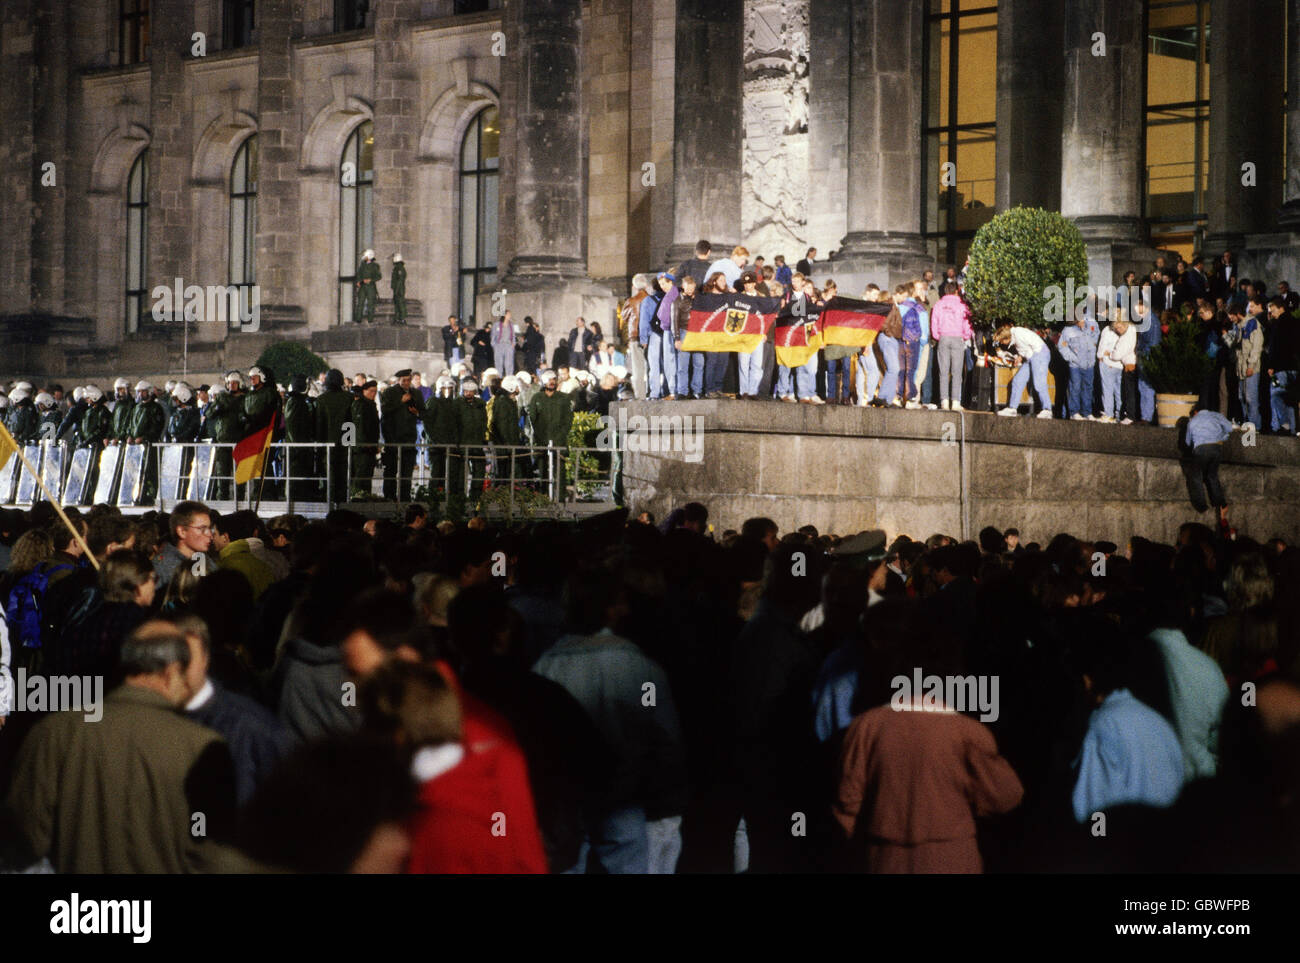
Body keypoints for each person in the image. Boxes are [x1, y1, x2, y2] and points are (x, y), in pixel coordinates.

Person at [3, 620, 237, 872]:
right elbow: (206, 844)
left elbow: (26, 835)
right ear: (171, 672)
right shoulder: (201, 748)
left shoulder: (56, 732)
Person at [1181, 405, 1234, 526]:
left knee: (1196, 476)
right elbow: (1230, 428)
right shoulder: (1216, 415)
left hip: (1201, 448)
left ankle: (1201, 506)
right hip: (1217, 447)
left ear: (1194, 412)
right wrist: (1223, 436)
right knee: (1212, 475)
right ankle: (1220, 502)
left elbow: (1187, 441)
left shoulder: (1193, 420)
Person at [380, 369, 425, 503]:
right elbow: (385, 410)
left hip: (409, 438)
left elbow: (423, 412)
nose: (406, 383)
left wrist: (417, 412)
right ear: (398, 380)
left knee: (407, 472)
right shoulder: (390, 392)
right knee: (391, 470)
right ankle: (389, 497)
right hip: (393, 437)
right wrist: (400, 402)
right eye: (403, 380)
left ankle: (405, 497)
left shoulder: (416, 393)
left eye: (408, 380)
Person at [527, 370, 573, 497]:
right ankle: (544, 499)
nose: (552, 382)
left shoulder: (564, 398)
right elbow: (532, 420)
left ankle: (560, 500)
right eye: (549, 379)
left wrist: (560, 435)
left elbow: (568, 420)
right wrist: (540, 438)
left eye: (553, 379)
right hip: (541, 443)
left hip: (559, 442)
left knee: (560, 473)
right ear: (543, 381)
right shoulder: (537, 398)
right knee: (543, 473)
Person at [929, 281, 973, 411]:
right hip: (957, 338)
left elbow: (934, 322)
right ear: (956, 291)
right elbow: (967, 322)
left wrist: (937, 336)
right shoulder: (962, 305)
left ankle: (944, 401)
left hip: (943, 338)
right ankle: (955, 402)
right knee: (957, 372)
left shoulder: (938, 305)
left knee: (943, 371)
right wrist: (966, 335)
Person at [994, 324, 1053, 419]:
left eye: (1001, 341)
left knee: (1039, 383)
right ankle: (1012, 408)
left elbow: (1034, 343)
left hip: (1039, 353)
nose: (1001, 343)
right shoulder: (1014, 337)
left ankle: (1047, 409)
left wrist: (1033, 359)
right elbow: (1026, 348)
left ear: (1006, 338)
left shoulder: (1019, 333)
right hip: (1032, 357)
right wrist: (1021, 357)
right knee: (1018, 380)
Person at [1222, 300, 1265, 428]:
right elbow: (1234, 345)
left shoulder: (1252, 324)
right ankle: (1247, 424)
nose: (1230, 318)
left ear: (1237, 313)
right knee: (1242, 397)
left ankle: (1254, 427)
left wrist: (1251, 365)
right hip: (1240, 368)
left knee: (1251, 398)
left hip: (1250, 368)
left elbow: (1257, 346)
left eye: (1231, 315)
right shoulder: (1238, 326)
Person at [1057, 309, 1099, 420]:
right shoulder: (1067, 330)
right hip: (1075, 365)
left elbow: (1096, 337)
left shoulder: (1092, 324)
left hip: (1089, 363)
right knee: (1075, 387)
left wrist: (1093, 351)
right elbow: (1062, 346)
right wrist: (1072, 358)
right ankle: (1074, 412)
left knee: (1088, 387)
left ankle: (1087, 412)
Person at [1265, 297, 1298, 435]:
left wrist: (1271, 365)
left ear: (1280, 308)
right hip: (1294, 367)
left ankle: (1283, 425)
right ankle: (1293, 427)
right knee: (1291, 398)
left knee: (1276, 395)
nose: (1271, 314)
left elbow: (1275, 347)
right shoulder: (1296, 323)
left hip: (1280, 368)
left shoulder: (1278, 325)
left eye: (1272, 311)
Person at [1096, 312, 1137, 423]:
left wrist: (1100, 356)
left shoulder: (1107, 330)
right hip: (1120, 365)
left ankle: (1108, 414)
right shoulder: (1130, 330)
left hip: (1108, 362)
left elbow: (1102, 347)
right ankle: (1119, 414)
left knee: (1107, 390)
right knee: (1119, 391)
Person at [672, 275, 704, 400]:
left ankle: (697, 390)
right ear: (683, 287)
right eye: (688, 288)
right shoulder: (677, 301)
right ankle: (682, 391)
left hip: (697, 333)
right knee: (683, 365)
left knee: (699, 363)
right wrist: (677, 338)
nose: (691, 290)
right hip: (684, 331)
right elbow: (674, 320)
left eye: (692, 288)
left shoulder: (698, 299)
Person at [350, 380, 380, 497]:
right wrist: (364, 444)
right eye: (371, 391)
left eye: (375, 392)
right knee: (361, 478)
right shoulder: (361, 405)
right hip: (362, 449)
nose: (373, 394)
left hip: (369, 448)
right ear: (364, 391)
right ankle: (358, 500)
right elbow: (359, 426)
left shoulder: (370, 405)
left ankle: (364, 498)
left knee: (367, 478)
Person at [355, 249, 381, 324]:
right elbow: (359, 274)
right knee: (360, 302)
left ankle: (370, 319)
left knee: (370, 303)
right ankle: (358, 318)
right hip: (363, 286)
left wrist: (371, 280)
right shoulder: (362, 265)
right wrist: (358, 281)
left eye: (365, 255)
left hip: (370, 286)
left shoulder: (375, 266)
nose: (364, 257)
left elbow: (379, 276)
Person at [492, 310, 518, 375]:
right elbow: (493, 335)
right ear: (505, 315)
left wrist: (513, 344)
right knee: (498, 363)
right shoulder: (496, 324)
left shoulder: (511, 325)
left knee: (509, 363)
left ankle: (509, 378)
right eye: (508, 314)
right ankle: (499, 378)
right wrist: (494, 345)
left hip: (508, 345)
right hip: (499, 345)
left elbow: (513, 335)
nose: (510, 316)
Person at [389, 253, 407, 325]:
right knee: (397, 304)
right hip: (397, 289)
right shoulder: (397, 268)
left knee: (400, 303)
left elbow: (399, 280)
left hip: (399, 290)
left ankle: (402, 318)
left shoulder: (400, 268)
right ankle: (397, 318)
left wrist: (396, 290)